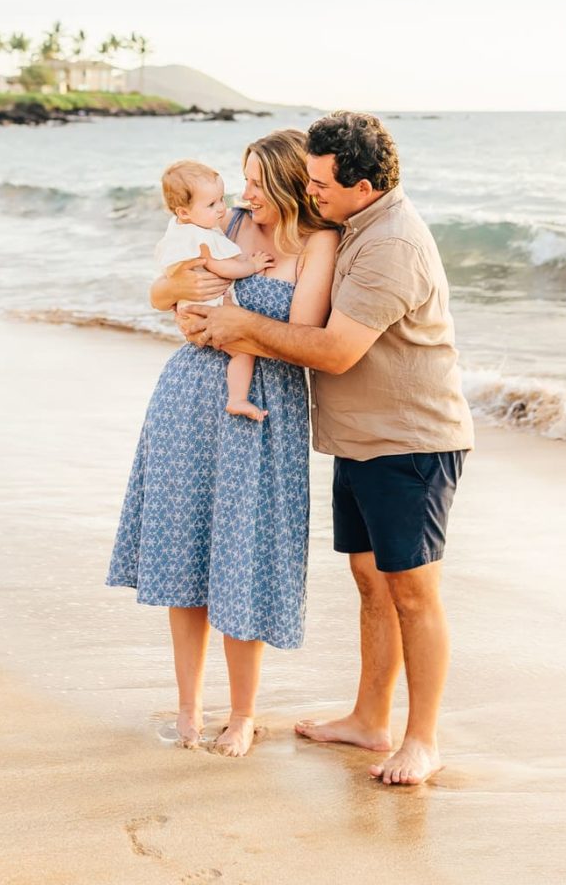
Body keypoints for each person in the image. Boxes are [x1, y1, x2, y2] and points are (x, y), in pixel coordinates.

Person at [181, 111, 475, 786]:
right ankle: (371, 720)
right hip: (362, 440)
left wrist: (243, 327)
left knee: (413, 593)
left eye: (320, 184)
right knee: (371, 582)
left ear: (363, 185)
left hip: (410, 441)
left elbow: (338, 352)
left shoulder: (390, 243)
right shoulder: (350, 227)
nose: (310, 192)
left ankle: (421, 739)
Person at [106, 129, 338, 757]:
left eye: (258, 182)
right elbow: (160, 290)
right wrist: (183, 303)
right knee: (185, 556)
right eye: (243, 179)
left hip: (264, 409)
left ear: (291, 184)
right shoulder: (224, 221)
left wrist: (232, 323)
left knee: (245, 558)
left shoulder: (319, 242)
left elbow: (305, 332)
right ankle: (187, 708)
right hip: (189, 396)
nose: (245, 193)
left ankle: (242, 714)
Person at [155, 159, 274, 420]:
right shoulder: (202, 237)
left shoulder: (180, 229)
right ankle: (238, 399)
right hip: (207, 310)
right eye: (211, 204)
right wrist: (252, 265)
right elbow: (225, 269)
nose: (222, 208)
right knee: (242, 354)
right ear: (184, 212)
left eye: (221, 199)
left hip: (193, 308)